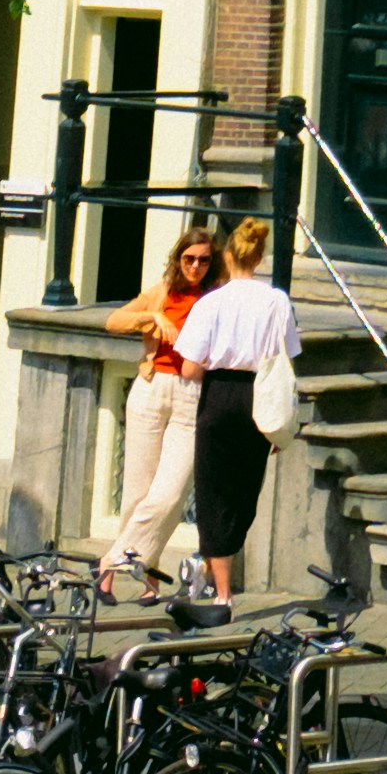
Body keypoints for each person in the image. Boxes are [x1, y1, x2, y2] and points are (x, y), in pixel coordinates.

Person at [175, 215, 302, 605]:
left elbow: (189, 366)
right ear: (260, 258)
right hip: (259, 395)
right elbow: (288, 356)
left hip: (219, 395)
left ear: (227, 256)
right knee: (245, 491)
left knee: (212, 490)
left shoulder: (211, 302)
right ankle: (218, 569)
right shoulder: (277, 300)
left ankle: (222, 591)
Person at [99, 227, 224, 597]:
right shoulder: (160, 292)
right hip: (151, 387)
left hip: (192, 392)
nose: (196, 266)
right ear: (178, 258)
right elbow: (113, 321)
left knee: (169, 493)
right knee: (137, 491)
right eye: (189, 259)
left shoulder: (215, 297)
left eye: (203, 260)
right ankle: (147, 573)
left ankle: (108, 562)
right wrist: (154, 317)